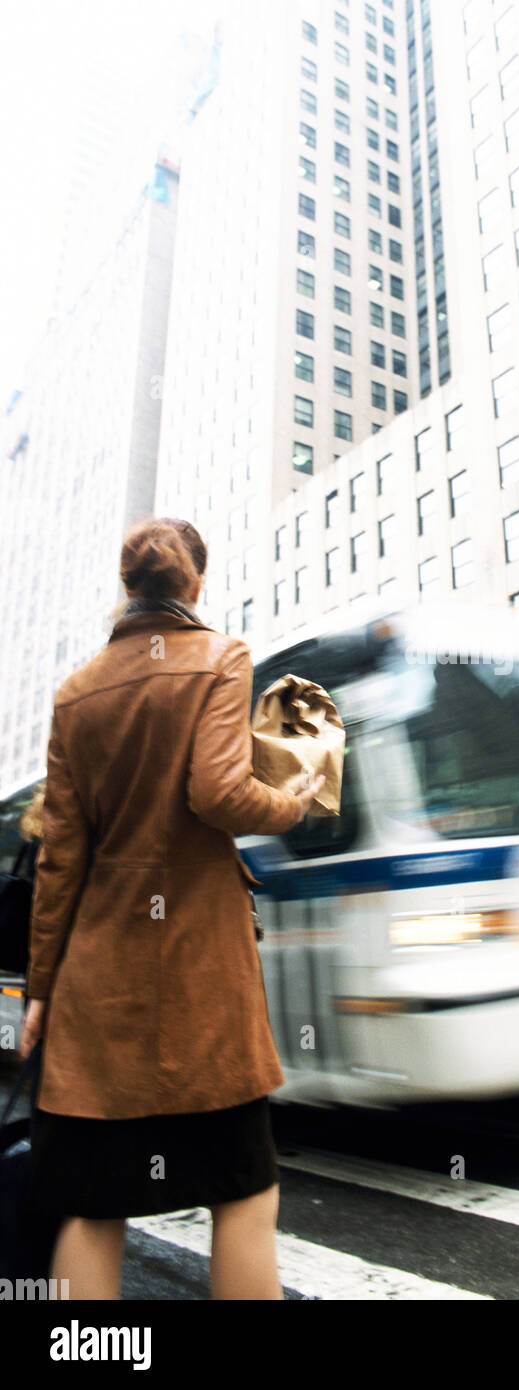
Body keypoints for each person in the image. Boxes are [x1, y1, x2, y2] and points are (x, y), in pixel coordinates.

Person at [17, 516, 326, 1300]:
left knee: (92, 1209)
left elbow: (60, 858)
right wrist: (294, 802)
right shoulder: (220, 657)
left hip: (97, 985)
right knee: (244, 1193)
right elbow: (218, 792)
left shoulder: (75, 692)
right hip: (199, 983)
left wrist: (43, 992)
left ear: (130, 586)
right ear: (196, 583)